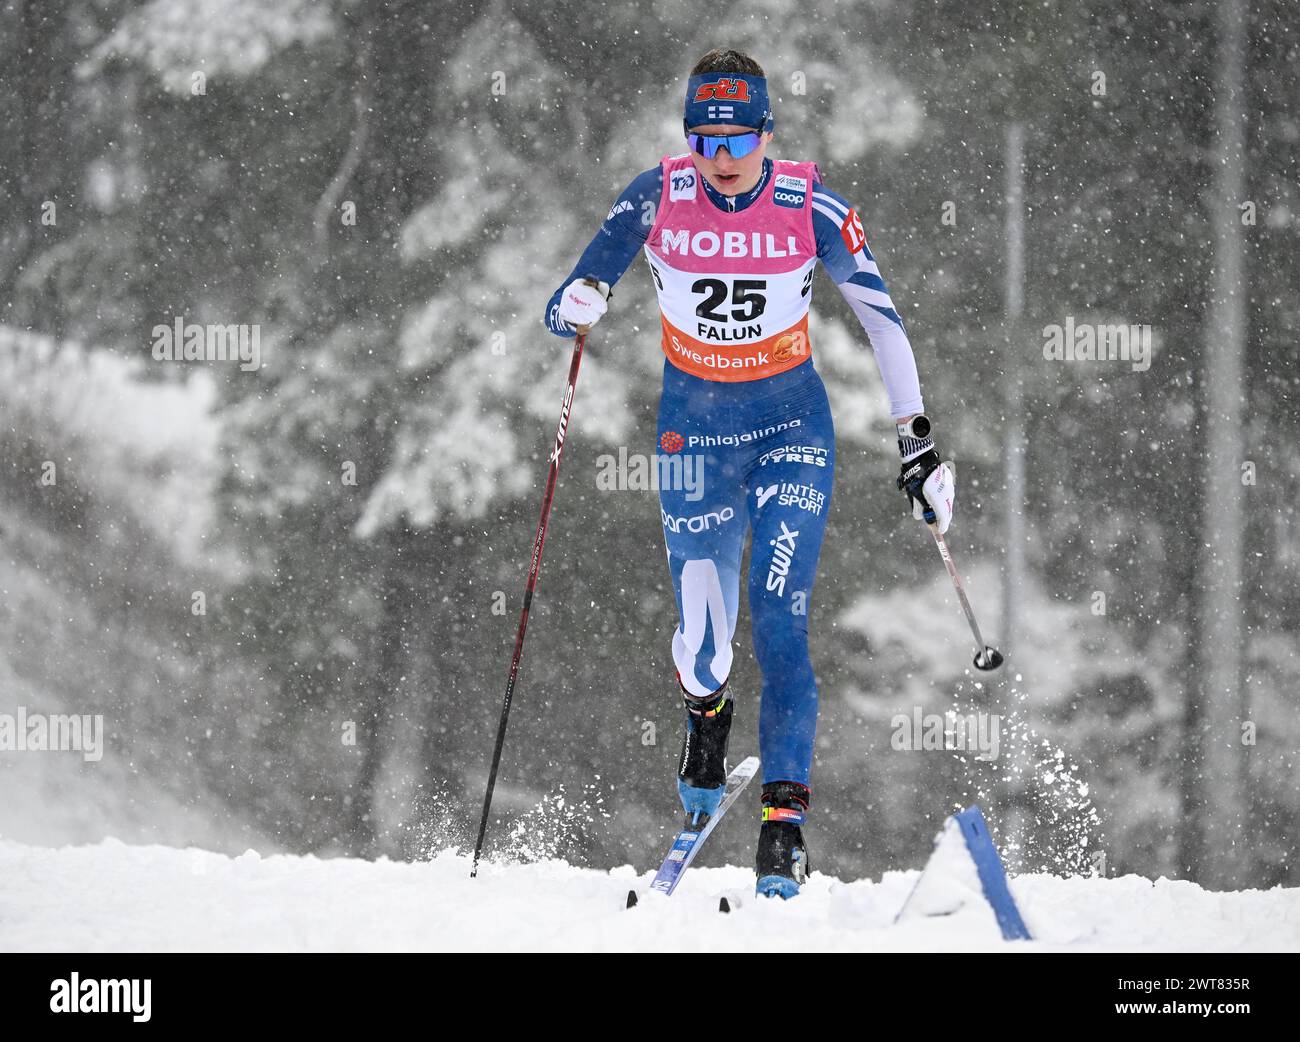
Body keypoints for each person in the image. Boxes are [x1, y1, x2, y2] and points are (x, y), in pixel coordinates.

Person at [542, 48, 954, 898]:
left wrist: (916, 439)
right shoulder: (655, 195)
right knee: (702, 645)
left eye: (737, 139)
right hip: (692, 437)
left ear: (768, 133)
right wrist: (574, 304)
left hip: (790, 431)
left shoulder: (813, 207)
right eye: (704, 139)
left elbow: (884, 323)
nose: (721, 158)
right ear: (688, 137)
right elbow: (574, 292)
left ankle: (784, 828)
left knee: (780, 619)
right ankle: (706, 716)